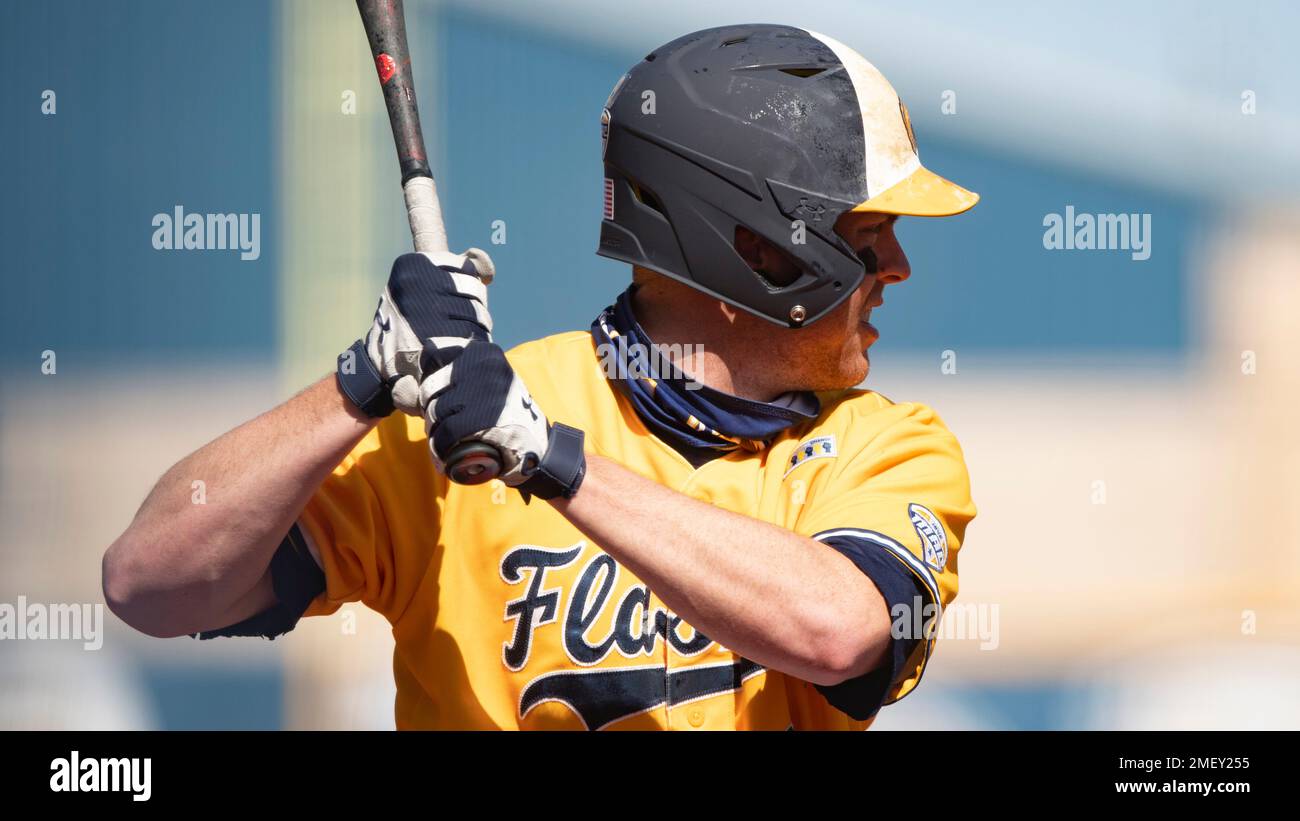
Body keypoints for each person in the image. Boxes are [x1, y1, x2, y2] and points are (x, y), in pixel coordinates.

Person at [103, 23, 979, 730]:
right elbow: (149, 584)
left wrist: (550, 462)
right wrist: (358, 383)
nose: (896, 266)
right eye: (867, 236)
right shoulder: (461, 428)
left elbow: (840, 631)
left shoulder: (892, 447)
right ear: (756, 247)